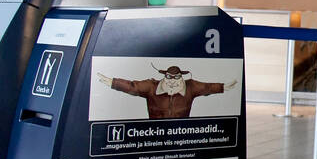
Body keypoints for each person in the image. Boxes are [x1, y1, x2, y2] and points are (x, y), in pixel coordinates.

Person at [97, 63, 237, 119]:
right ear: (165, 76)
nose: (172, 80)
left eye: (176, 77)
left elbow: (207, 88)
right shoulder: (152, 86)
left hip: (180, 132)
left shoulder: (190, 87)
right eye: (169, 77)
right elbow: (132, 86)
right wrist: (112, 82)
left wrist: (223, 87)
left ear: (181, 77)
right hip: (154, 132)